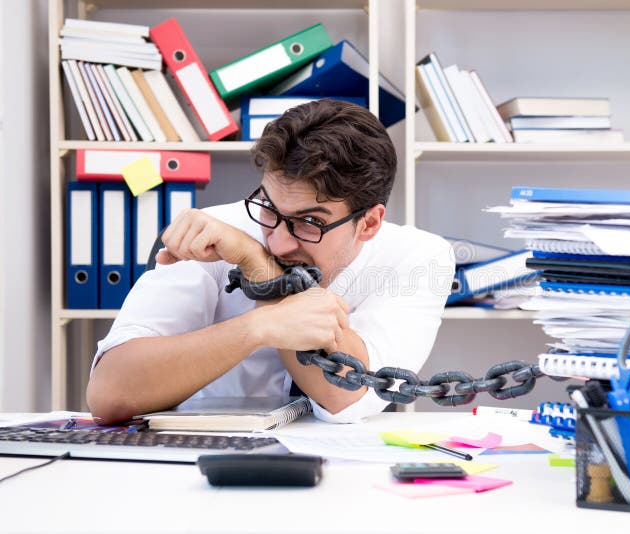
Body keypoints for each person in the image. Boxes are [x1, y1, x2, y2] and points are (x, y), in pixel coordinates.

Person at [86, 100, 454, 424]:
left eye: (310, 222)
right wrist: (259, 326)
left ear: (369, 222)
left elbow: (345, 395)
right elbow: (109, 394)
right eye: (269, 209)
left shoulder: (419, 257)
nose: (278, 240)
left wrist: (259, 267)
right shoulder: (215, 232)